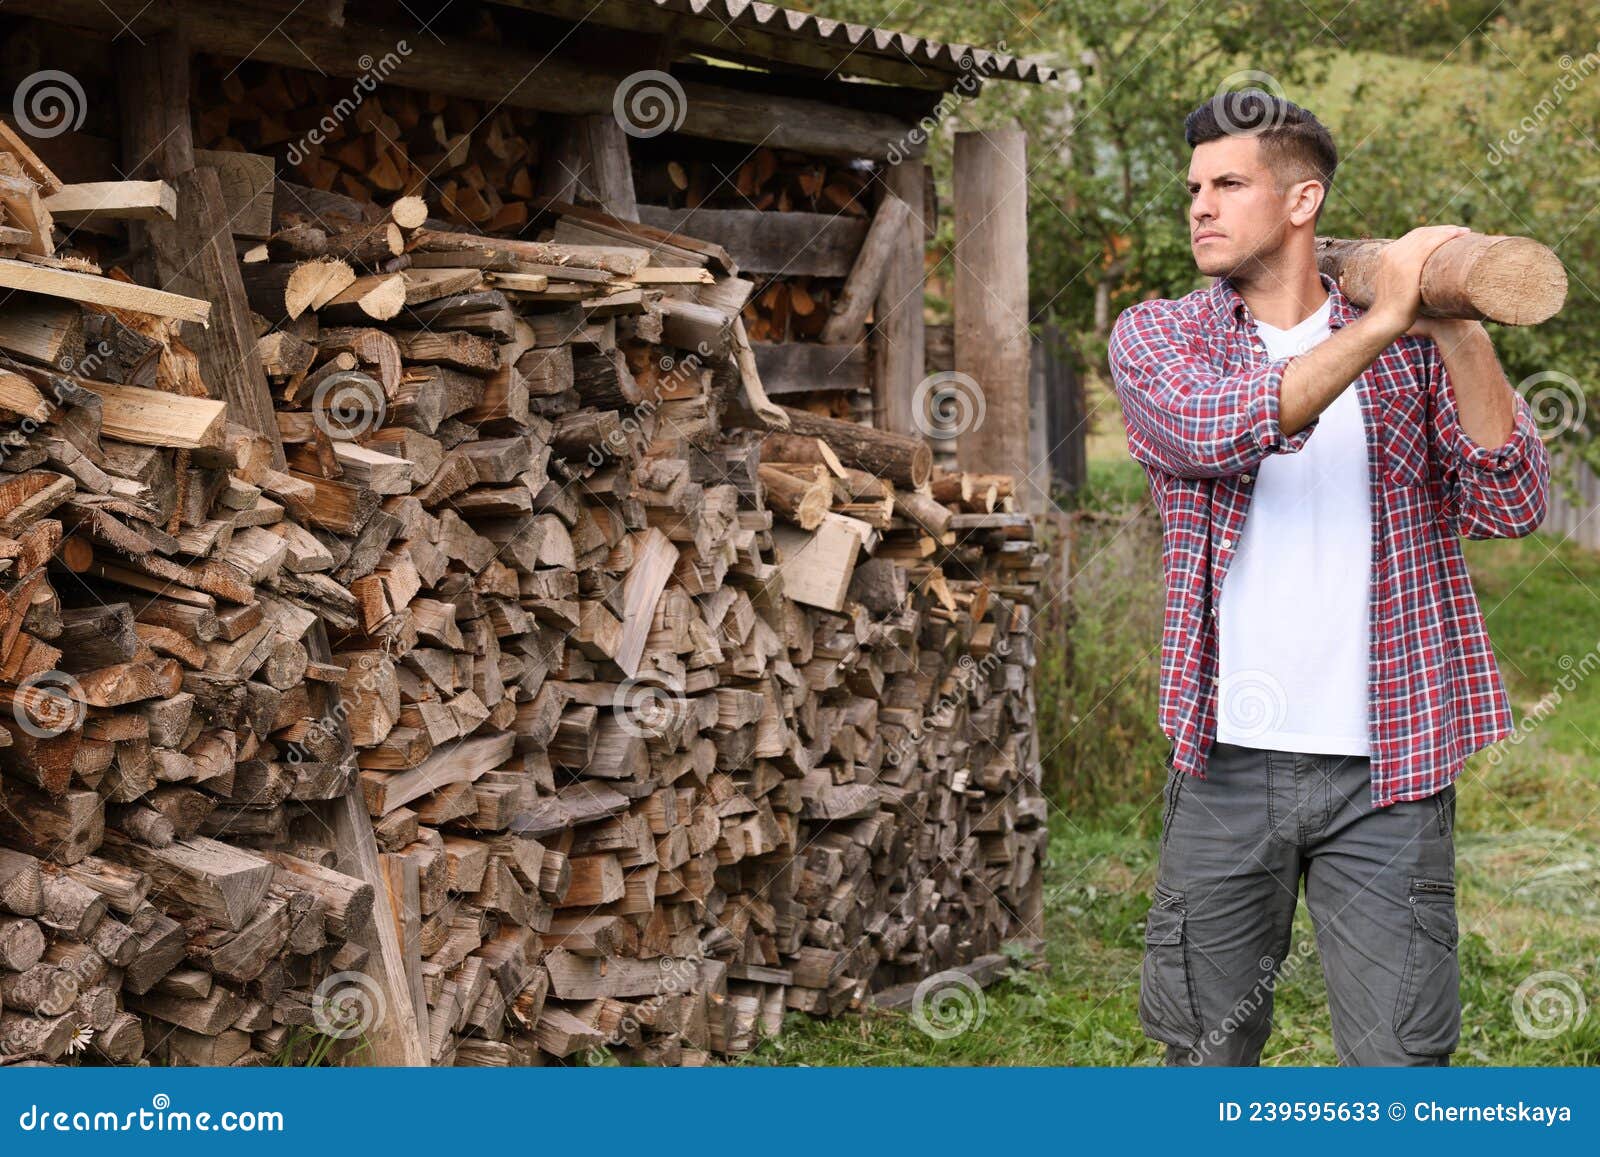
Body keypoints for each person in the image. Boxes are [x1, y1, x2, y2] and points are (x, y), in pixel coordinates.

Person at [1108, 89, 1550, 1066]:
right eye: (1193, 186)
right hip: (1223, 759)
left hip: (1387, 766)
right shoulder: (1160, 335)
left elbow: (1511, 503)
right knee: (1202, 1056)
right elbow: (1207, 431)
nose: (1199, 206)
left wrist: (1452, 320)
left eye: (1228, 183)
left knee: (1401, 1061)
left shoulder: (1411, 353)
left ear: (1302, 200)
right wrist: (1383, 315)